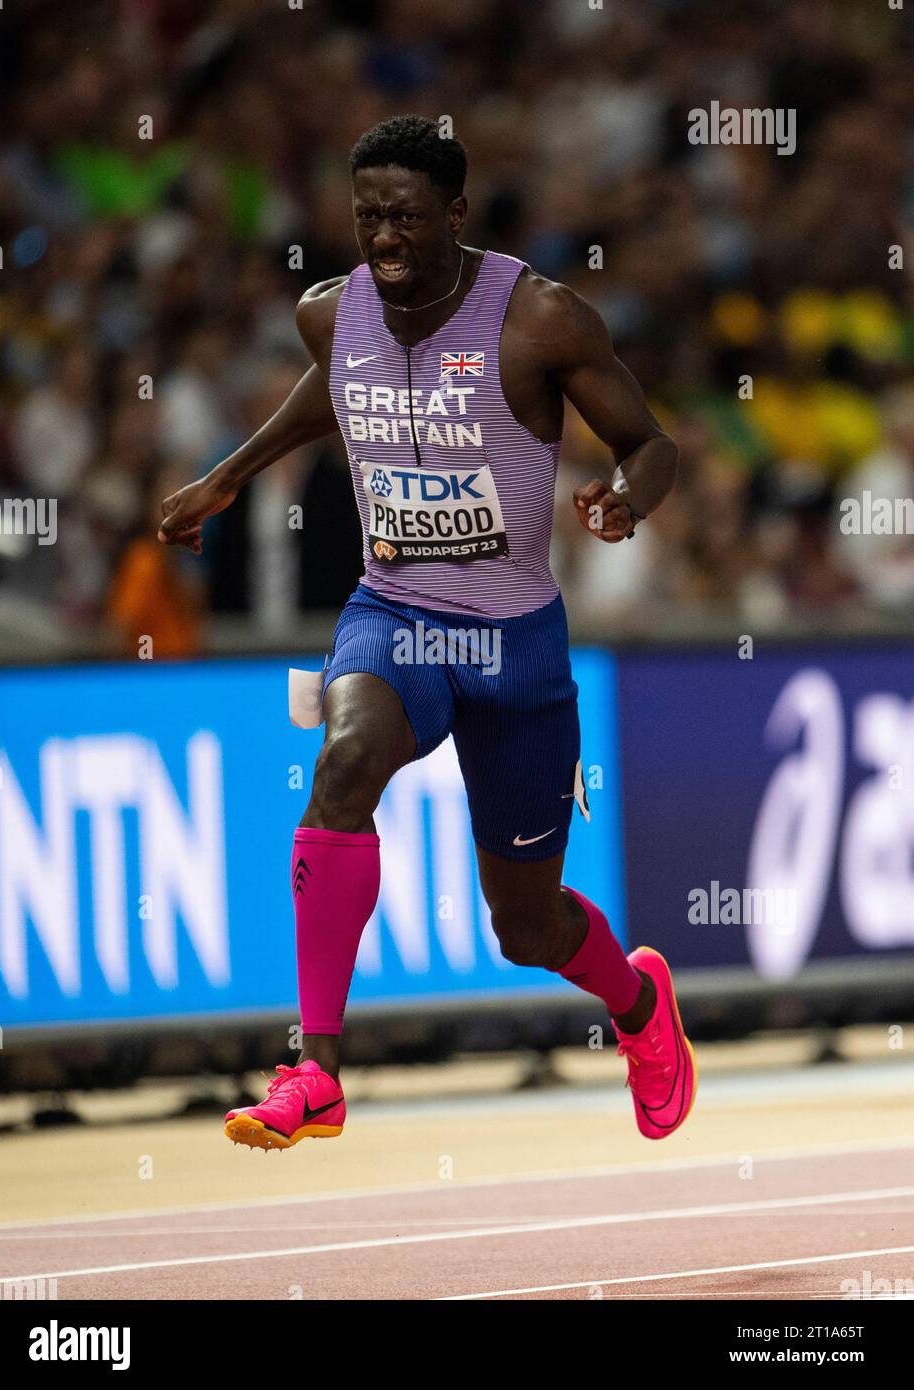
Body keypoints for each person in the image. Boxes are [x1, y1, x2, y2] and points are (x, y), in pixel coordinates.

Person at [159, 115, 696, 1151]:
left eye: (405, 216)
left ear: (455, 213)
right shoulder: (329, 314)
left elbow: (648, 439)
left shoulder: (539, 319)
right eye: (365, 217)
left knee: (524, 928)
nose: (383, 238)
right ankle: (315, 1069)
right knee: (344, 759)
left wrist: (627, 497)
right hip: (394, 613)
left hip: (514, 648)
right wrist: (228, 474)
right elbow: (341, 390)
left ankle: (636, 1008)